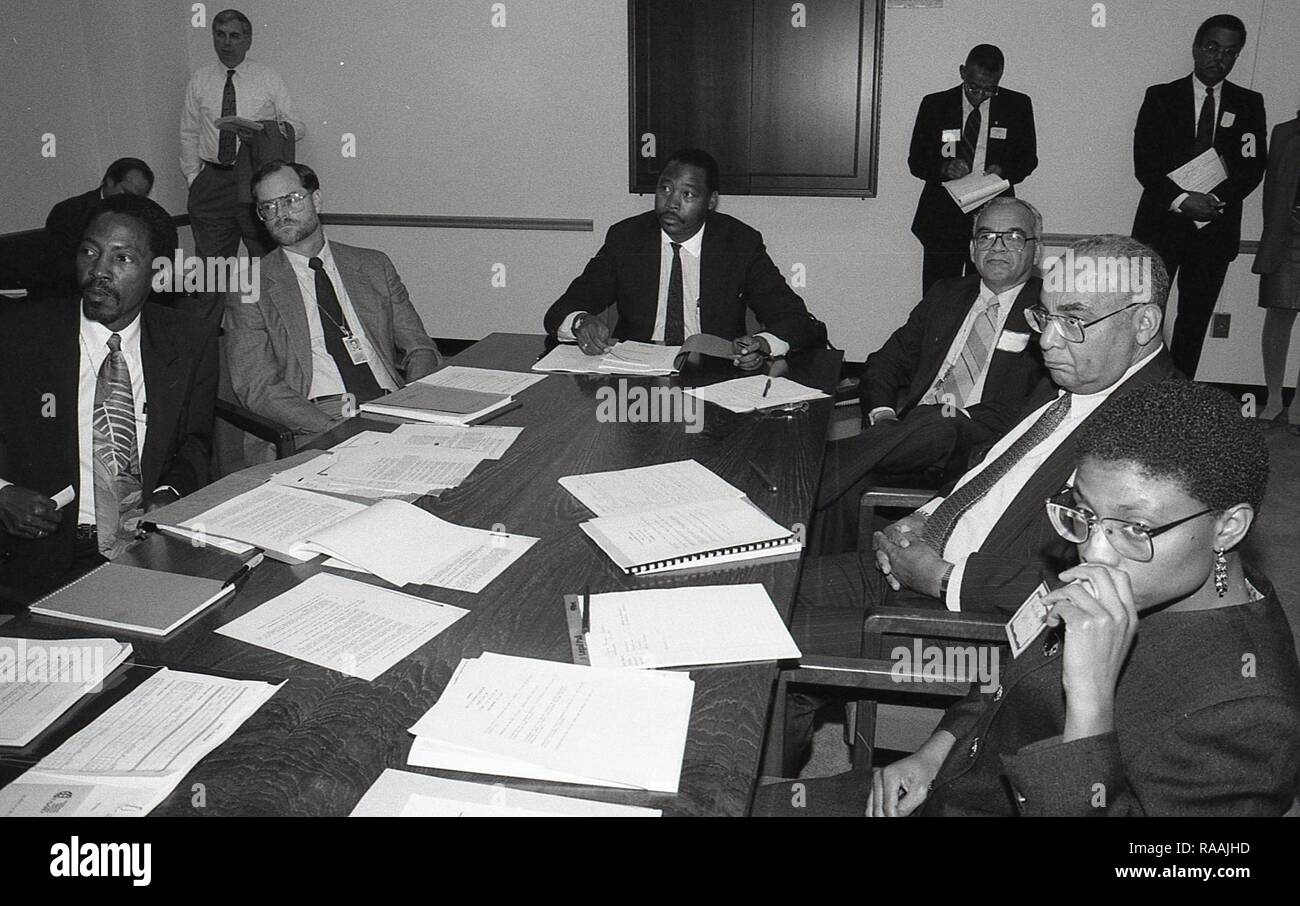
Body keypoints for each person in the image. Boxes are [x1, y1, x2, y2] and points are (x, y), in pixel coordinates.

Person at [760, 380, 1300, 816]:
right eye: (1084, 513)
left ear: (1227, 528)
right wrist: (933, 753)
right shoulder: (1118, 573)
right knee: (713, 797)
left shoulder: (1250, 718)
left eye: (1136, 527)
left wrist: (1090, 697)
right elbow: (1007, 674)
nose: (1093, 549)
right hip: (941, 788)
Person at [783, 235, 1176, 772]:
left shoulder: (1155, 435)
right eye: (1046, 317)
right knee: (756, 589)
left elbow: (1110, 589)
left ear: (1144, 323)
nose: (1049, 341)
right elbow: (990, 475)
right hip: (915, 563)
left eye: (1075, 319)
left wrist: (945, 577)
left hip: (968, 629)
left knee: (759, 645)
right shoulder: (1075, 380)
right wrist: (920, 520)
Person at [0, 195, 219, 603]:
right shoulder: (18, 334)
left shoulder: (190, 340)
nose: (99, 270)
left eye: (122, 259)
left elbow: (195, 443)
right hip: (38, 551)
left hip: (146, 547)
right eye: (90, 252)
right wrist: (2, 493)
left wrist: (168, 497)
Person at [812, 197, 1047, 553]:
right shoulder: (947, 293)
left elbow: (1033, 405)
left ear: (1036, 250)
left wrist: (928, 422)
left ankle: (809, 468)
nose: (996, 246)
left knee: (939, 418)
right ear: (971, 248)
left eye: (1013, 236)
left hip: (981, 445)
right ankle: (825, 585)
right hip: (909, 442)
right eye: (985, 236)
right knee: (843, 488)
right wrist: (882, 415)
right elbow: (884, 362)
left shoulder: (1047, 308)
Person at [224, 160, 442, 449]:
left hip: (389, 403)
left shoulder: (373, 265)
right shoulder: (249, 285)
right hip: (315, 418)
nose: (281, 214)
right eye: (269, 207)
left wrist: (413, 401)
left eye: (291, 200)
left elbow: (420, 348)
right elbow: (258, 387)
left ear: (316, 199)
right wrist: (335, 429)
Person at [543, 148, 825, 369]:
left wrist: (761, 345)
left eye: (687, 194)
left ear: (711, 201)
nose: (672, 203)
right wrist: (581, 322)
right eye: (665, 189)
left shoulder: (739, 243)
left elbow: (794, 320)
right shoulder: (626, 239)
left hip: (714, 373)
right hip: (634, 376)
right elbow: (559, 311)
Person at [1132, 13, 1267, 378]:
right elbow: (1145, 164)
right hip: (1161, 223)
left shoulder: (1249, 103)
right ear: (1196, 47)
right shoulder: (1161, 97)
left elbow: (1252, 167)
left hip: (1215, 229)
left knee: (1194, 319)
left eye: (1230, 52)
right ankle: (1140, 392)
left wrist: (1212, 203)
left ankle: (1178, 397)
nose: (1218, 59)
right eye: (1212, 48)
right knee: (1145, 315)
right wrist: (1182, 200)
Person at [181, 8, 304, 324]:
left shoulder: (266, 77)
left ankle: (274, 336)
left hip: (253, 181)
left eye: (234, 36)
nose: (226, 43)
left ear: (248, 40)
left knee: (266, 264)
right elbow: (189, 132)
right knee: (210, 271)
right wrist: (194, 178)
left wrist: (261, 130)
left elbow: (296, 125)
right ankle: (206, 345)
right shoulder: (200, 79)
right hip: (212, 181)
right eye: (219, 35)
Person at [908, 44, 1038, 294]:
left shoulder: (1017, 105)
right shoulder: (936, 105)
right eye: (974, 88)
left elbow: (1028, 159)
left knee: (987, 292)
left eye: (990, 89)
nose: (979, 96)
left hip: (994, 216)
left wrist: (1004, 169)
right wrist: (944, 167)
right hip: (943, 218)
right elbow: (916, 160)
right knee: (939, 294)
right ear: (962, 73)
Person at [41, 157, 155, 297]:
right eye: (126, 193)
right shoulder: (69, 211)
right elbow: (59, 267)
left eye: (139, 199)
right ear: (110, 181)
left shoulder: (141, 219)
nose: (131, 202)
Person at [1253, 110, 1300, 431]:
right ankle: (1272, 399)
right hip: (1285, 236)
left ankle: (1298, 408)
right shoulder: (1284, 132)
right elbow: (1271, 192)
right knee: (1278, 316)